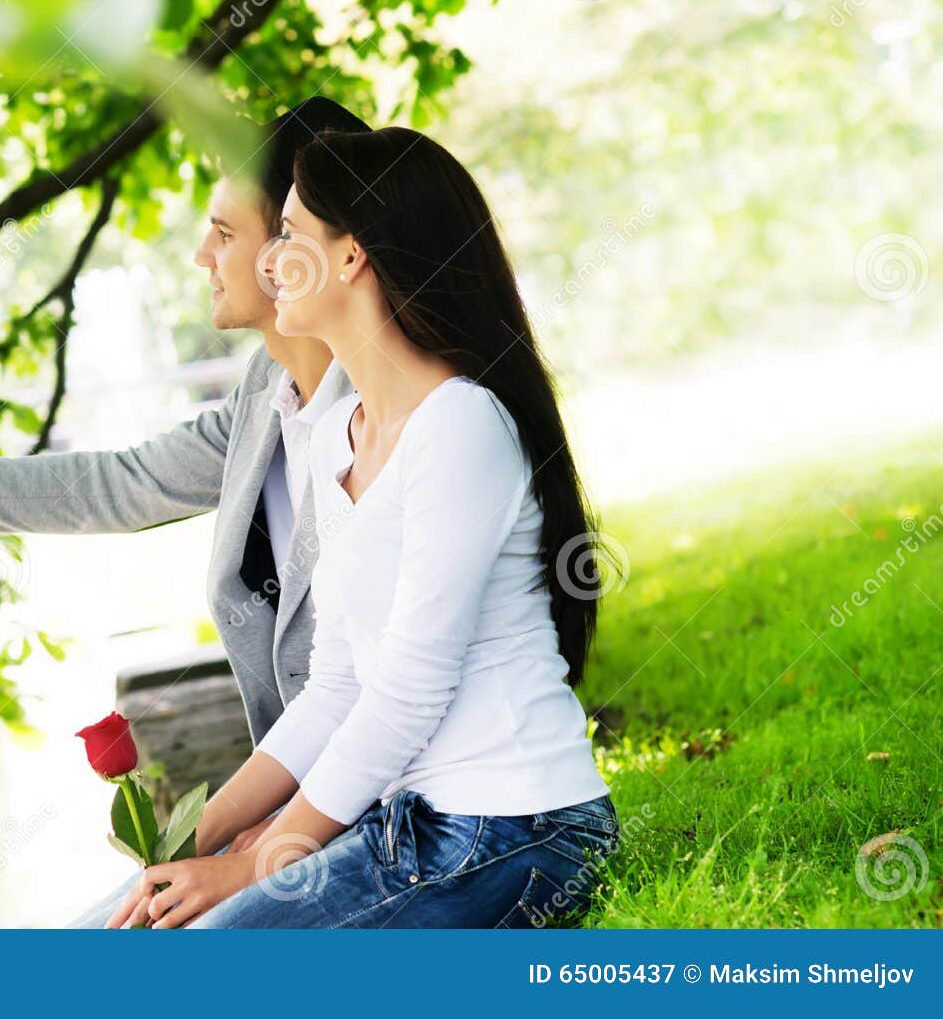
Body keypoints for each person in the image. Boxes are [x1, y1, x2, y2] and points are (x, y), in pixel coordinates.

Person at [0, 99, 371, 921]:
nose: (201, 255)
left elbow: (378, 694)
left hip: (365, 809)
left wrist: (254, 845)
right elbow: (110, 484)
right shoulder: (266, 398)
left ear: (295, 249)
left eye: (225, 232)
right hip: (290, 803)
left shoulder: (386, 417)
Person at [101, 127, 617, 929]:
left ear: (351, 258)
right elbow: (337, 685)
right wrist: (197, 834)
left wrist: (253, 864)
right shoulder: (337, 431)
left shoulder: (460, 424)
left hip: (518, 831)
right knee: (102, 932)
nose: (270, 260)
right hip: (405, 822)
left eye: (292, 234)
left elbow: (409, 689)